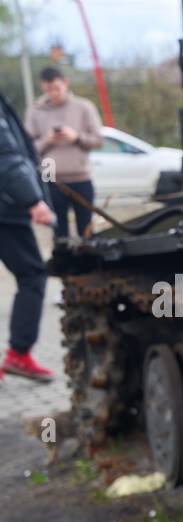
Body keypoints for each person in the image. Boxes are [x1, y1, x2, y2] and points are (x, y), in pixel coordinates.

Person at [0, 90, 55, 383]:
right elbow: (6, 157)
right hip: (5, 211)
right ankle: (18, 355)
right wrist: (33, 200)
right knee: (32, 275)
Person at [24, 66, 103, 243]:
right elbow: (28, 148)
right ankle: (65, 265)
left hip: (80, 177)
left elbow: (98, 140)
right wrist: (47, 140)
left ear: (65, 83)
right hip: (50, 177)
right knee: (59, 230)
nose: (53, 93)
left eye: (56, 88)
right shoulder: (35, 111)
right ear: (42, 86)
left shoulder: (84, 107)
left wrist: (75, 138)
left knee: (86, 229)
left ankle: (89, 264)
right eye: (48, 89)